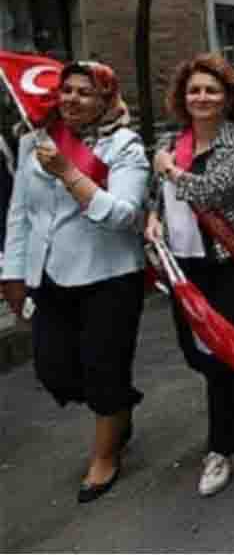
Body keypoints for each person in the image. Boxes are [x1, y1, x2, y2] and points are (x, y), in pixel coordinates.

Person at [2, 61, 148, 503]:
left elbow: (124, 215)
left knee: (105, 367)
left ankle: (106, 452)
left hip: (110, 275)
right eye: (66, 90)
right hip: (50, 275)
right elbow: (21, 214)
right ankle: (117, 406)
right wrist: (11, 271)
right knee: (55, 371)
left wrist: (70, 173)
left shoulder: (125, 146)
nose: (72, 99)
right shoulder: (34, 140)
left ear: (105, 98)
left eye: (85, 92)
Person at [144, 54, 234, 496]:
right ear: (182, 97)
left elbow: (213, 190)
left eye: (211, 90)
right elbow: (159, 195)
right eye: (194, 90)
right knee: (196, 354)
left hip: (228, 260)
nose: (202, 97)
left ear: (228, 97)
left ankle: (220, 450)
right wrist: (153, 216)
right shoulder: (172, 141)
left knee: (219, 356)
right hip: (182, 263)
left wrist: (170, 171)